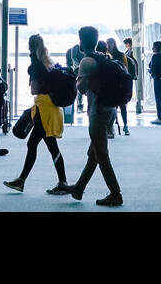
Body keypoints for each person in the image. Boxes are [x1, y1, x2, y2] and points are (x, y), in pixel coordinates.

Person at [53, 26, 123, 206]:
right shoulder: (103, 57)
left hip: (97, 112)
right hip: (109, 110)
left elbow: (82, 89)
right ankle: (79, 188)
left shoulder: (87, 61)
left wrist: (77, 75)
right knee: (94, 153)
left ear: (81, 41)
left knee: (101, 154)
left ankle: (115, 193)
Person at [4, 34, 68, 193]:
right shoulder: (48, 62)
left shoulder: (35, 65)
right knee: (37, 144)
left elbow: (34, 90)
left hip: (43, 110)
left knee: (47, 146)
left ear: (30, 46)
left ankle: (62, 182)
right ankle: (22, 180)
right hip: (53, 108)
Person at [106, 38, 131, 135]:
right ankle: (112, 126)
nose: (109, 46)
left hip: (119, 84)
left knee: (122, 106)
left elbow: (126, 69)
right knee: (113, 107)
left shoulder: (121, 55)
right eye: (108, 44)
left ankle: (125, 125)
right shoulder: (106, 55)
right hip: (113, 84)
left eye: (111, 43)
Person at [66, 41, 86, 113]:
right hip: (76, 69)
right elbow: (73, 58)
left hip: (80, 68)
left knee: (80, 88)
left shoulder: (84, 49)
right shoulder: (76, 47)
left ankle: (79, 105)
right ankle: (79, 105)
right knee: (79, 87)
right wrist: (78, 66)